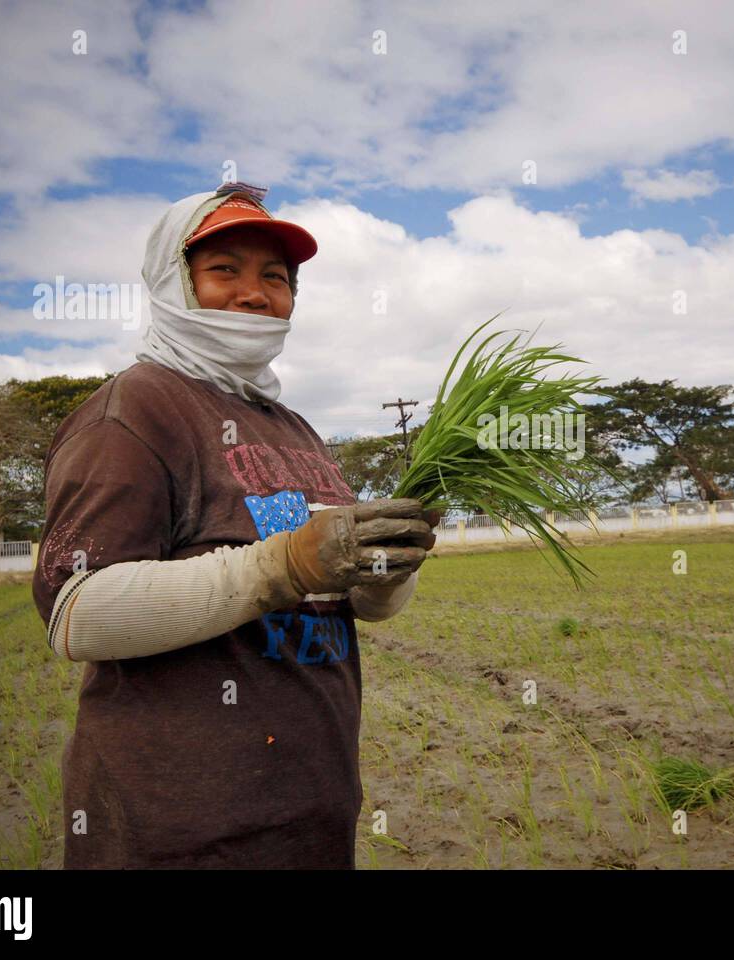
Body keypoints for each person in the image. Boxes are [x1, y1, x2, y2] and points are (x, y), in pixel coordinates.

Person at [32, 182, 438, 868]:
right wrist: (282, 566)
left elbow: (340, 600)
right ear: (172, 281)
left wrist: (386, 567)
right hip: (177, 832)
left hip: (311, 814)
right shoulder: (136, 408)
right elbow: (77, 614)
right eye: (225, 271)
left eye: (275, 278)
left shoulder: (295, 428)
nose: (255, 294)